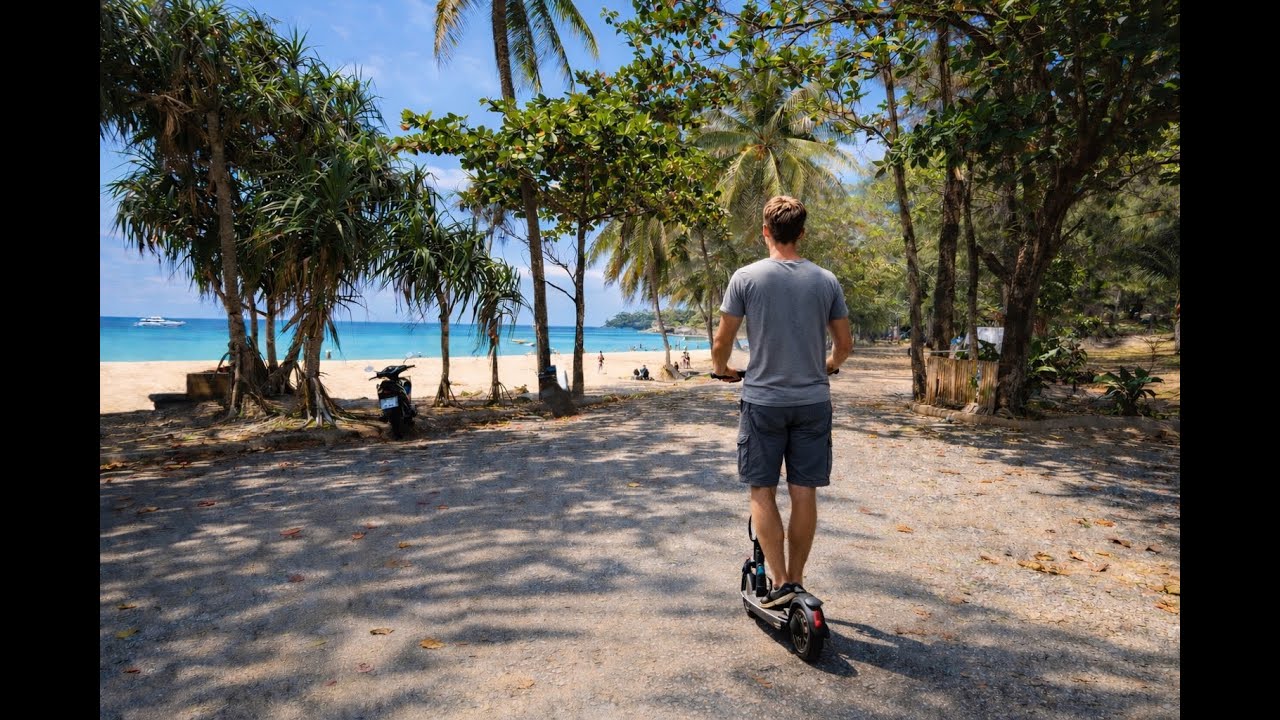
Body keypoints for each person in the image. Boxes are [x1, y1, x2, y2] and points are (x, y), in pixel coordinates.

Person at [712, 195, 853, 610]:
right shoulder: (825, 280)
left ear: (765, 231)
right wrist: (827, 364)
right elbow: (844, 344)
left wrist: (723, 369)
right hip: (812, 401)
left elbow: (722, 341)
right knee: (804, 491)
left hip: (764, 402)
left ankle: (778, 583)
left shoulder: (746, 277)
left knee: (762, 489)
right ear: (802, 232)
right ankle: (797, 578)